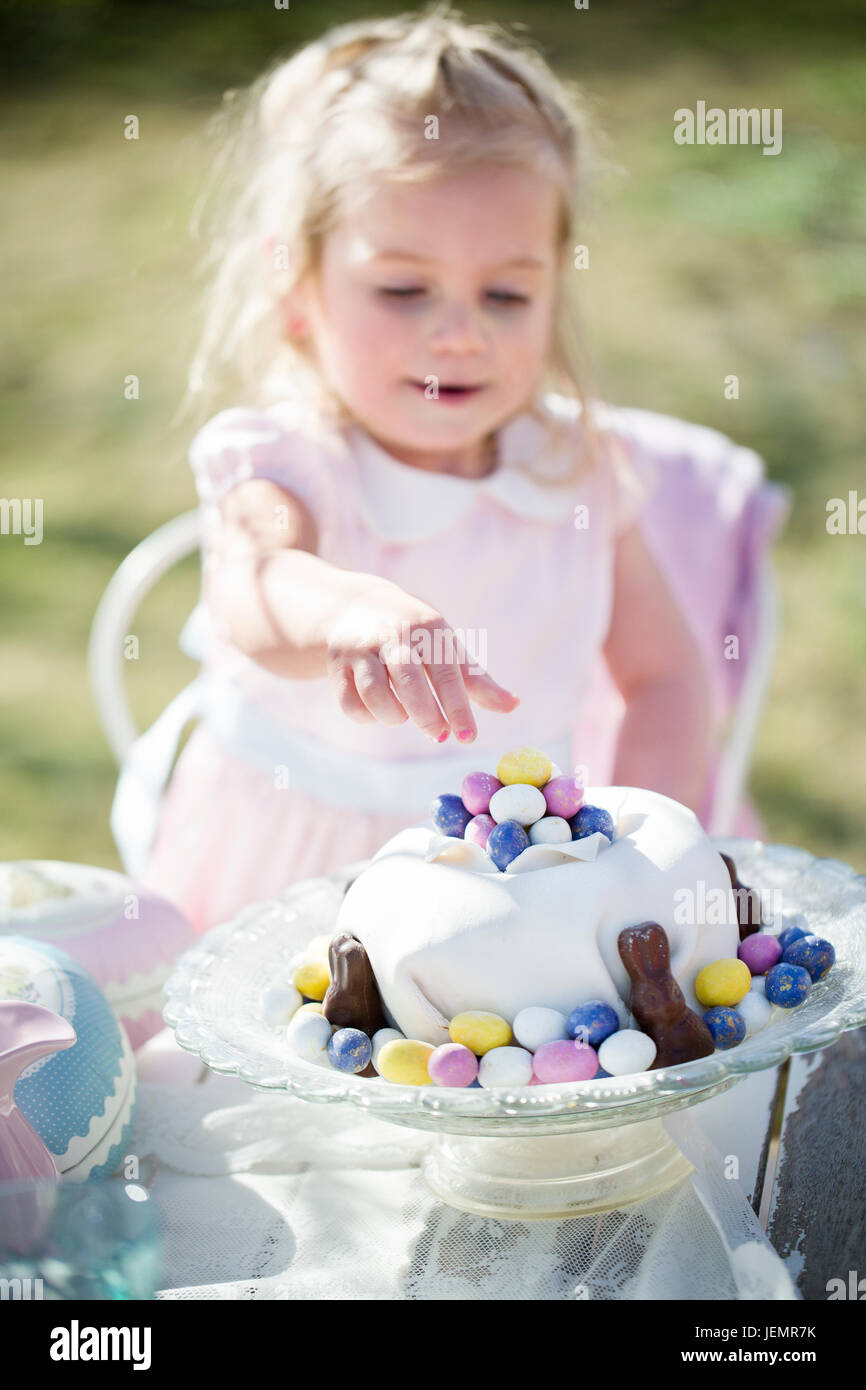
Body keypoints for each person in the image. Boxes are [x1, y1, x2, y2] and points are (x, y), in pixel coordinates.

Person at [136, 8, 727, 933]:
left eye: (506, 293)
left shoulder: (578, 474)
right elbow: (254, 592)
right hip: (292, 868)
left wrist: (633, 859)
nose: (460, 331)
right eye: (403, 289)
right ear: (298, 294)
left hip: (513, 880)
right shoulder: (291, 458)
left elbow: (666, 675)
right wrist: (348, 612)